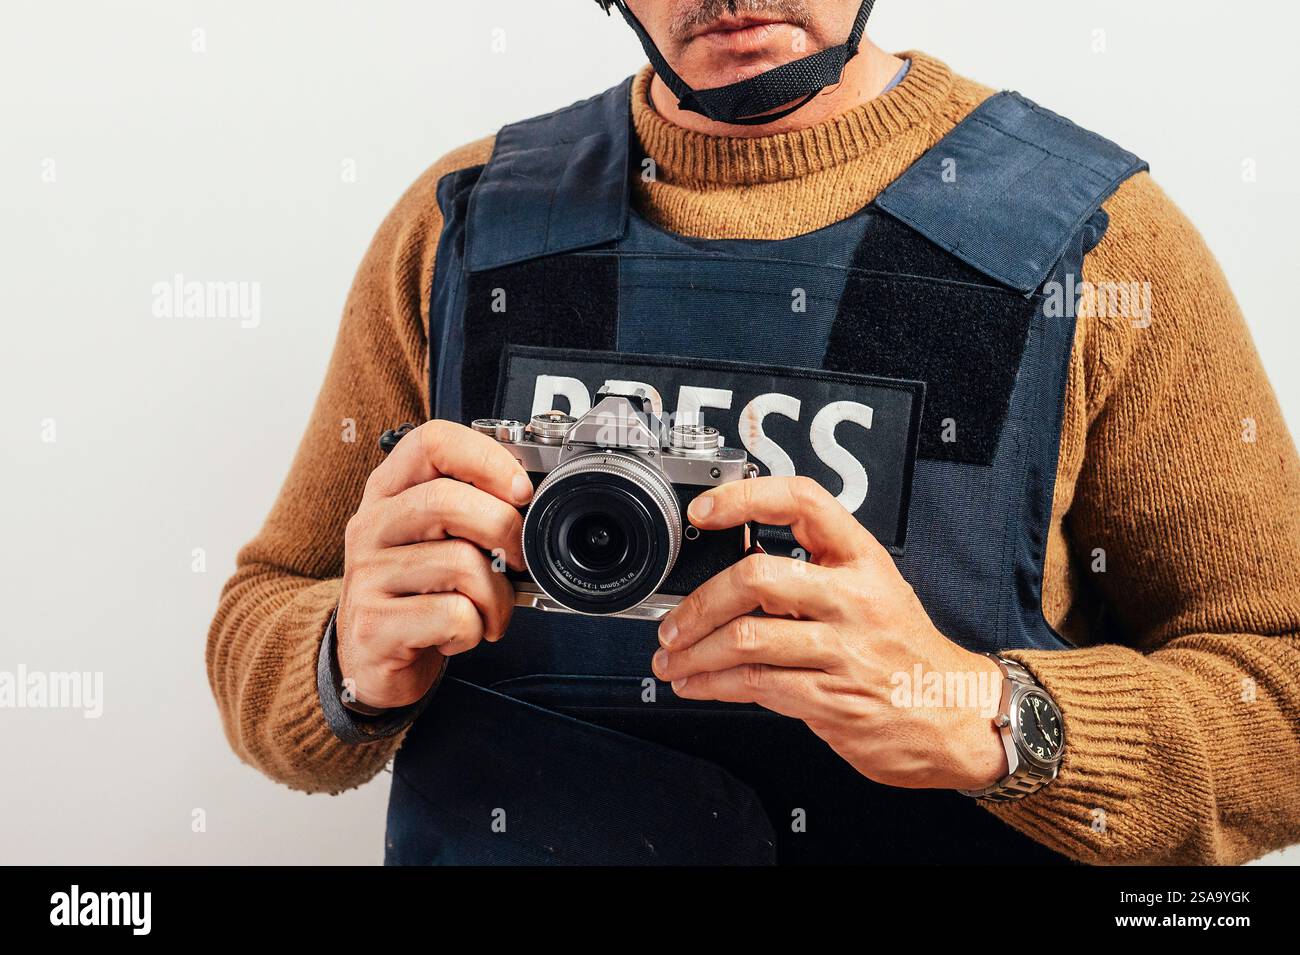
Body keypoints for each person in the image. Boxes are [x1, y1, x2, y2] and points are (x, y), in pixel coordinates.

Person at [208, 0, 1300, 864]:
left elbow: (1283, 701)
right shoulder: (466, 228)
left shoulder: (1090, 248)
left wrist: (993, 719)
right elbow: (265, 611)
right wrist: (343, 659)